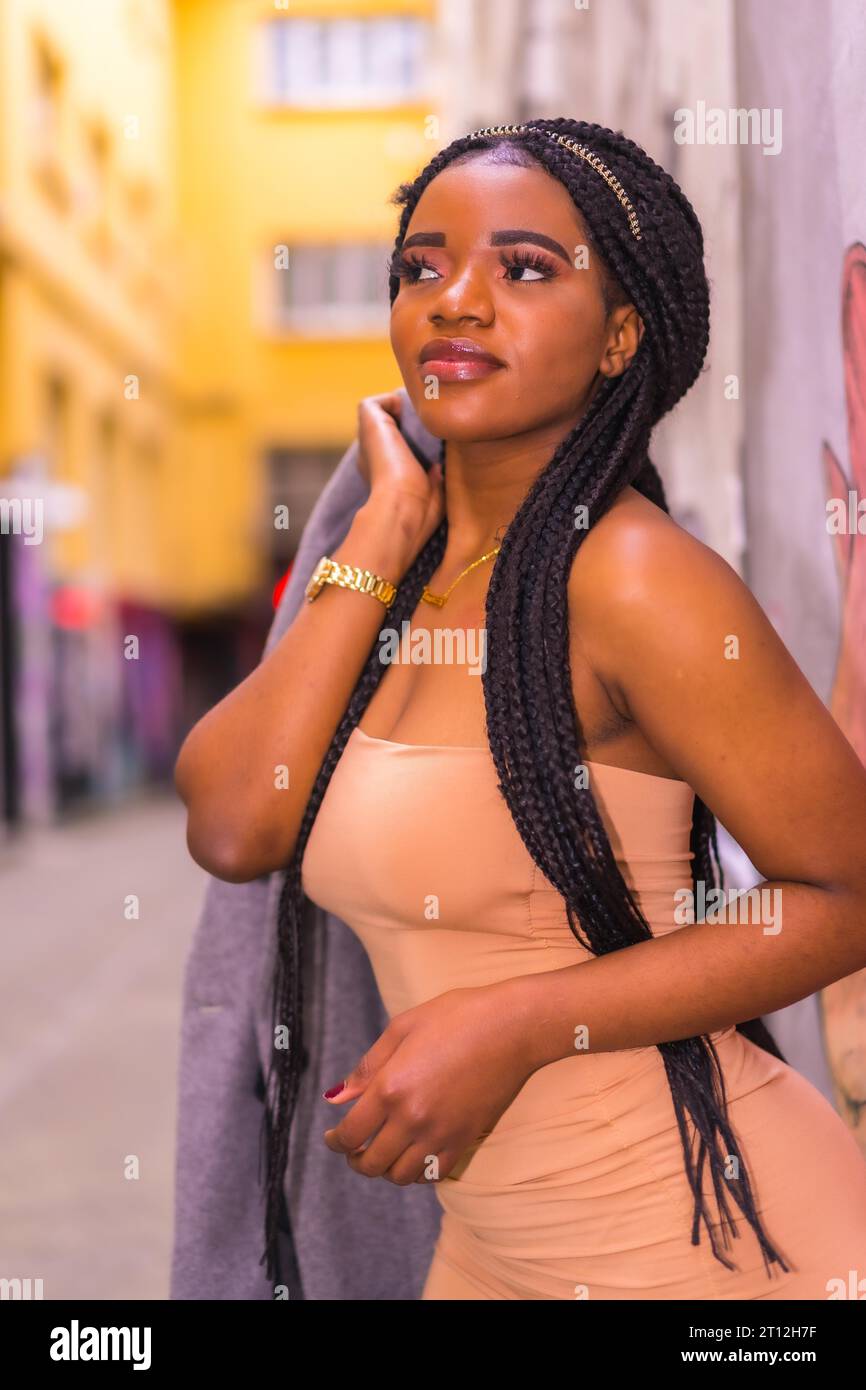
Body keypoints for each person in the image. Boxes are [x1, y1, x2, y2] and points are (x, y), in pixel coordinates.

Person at [174, 118, 866, 1300]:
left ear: (620, 336)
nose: (455, 300)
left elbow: (848, 893)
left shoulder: (633, 579)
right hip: (490, 1253)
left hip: (708, 1249)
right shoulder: (398, 565)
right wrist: (380, 533)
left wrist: (522, 1023)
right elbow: (236, 825)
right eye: (421, 267)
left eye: (524, 268)